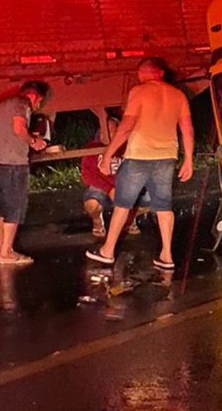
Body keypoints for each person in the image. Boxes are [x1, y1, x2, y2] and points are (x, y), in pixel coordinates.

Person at [86, 58, 193, 271]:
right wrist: (188, 159)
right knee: (164, 206)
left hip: (139, 157)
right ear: (161, 73)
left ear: (142, 74)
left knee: (123, 204)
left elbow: (126, 126)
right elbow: (187, 128)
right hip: (166, 157)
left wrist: (108, 155)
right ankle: (166, 256)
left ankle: (107, 251)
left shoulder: (139, 91)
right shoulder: (178, 95)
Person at [0, 81, 49, 266]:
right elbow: (19, 128)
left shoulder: (2, 104)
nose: (37, 107)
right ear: (34, 96)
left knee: (5, 208)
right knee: (14, 207)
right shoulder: (22, 104)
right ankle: (6, 252)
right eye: (39, 102)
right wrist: (34, 141)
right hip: (12, 164)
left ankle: (2, 250)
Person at [80, 115, 145, 238]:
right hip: (102, 187)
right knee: (92, 204)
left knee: (149, 199)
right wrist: (109, 189)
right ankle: (98, 221)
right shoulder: (92, 147)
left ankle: (129, 220)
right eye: (104, 130)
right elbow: (87, 175)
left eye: (112, 130)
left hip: (123, 186)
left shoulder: (128, 145)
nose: (107, 133)